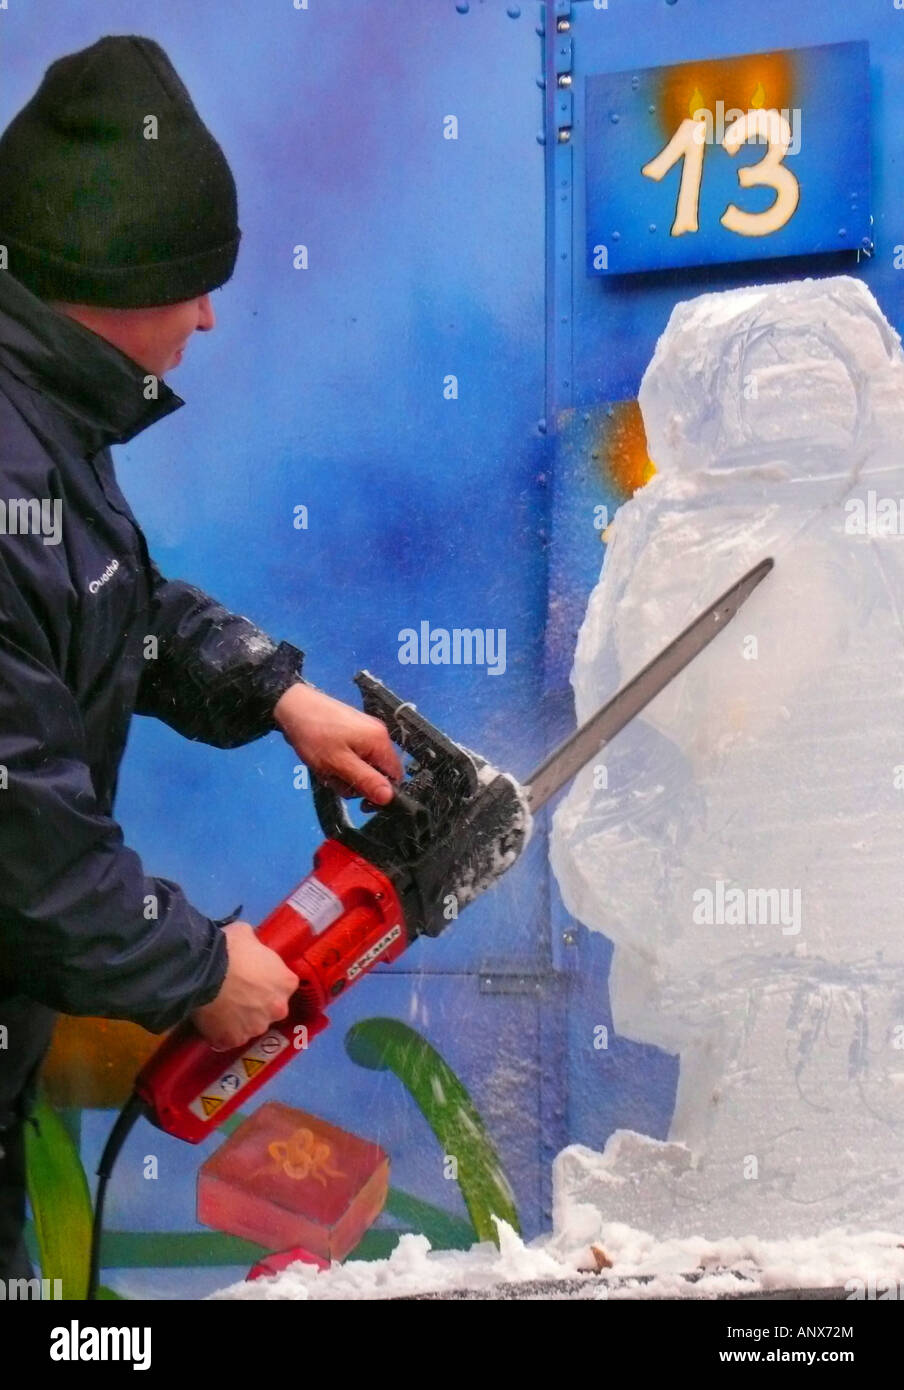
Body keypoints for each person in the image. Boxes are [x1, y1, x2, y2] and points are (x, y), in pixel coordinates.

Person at [0, 34, 402, 1281]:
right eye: (194, 282)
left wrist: (274, 689)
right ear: (114, 278)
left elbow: (110, 598)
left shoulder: (46, 422)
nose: (211, 312)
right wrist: (195, 966)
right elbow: (16, 821)